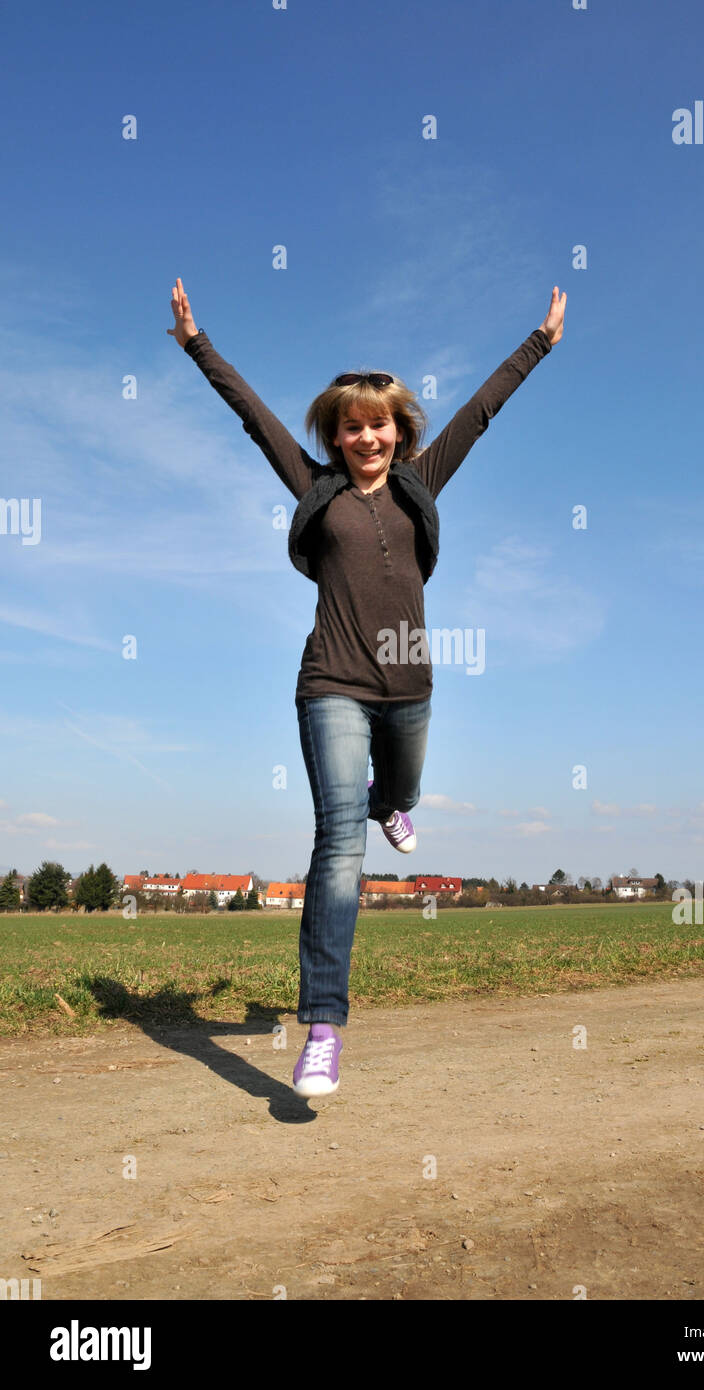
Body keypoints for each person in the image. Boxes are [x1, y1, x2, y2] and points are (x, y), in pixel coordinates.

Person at [168, 276, 566, 1097]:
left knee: (401, 788)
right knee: (339, 843)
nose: (366, 437)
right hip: (332, 684)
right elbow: (253, 418)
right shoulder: (319, 489)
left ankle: (398, 801)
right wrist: (197, 344)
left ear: (399, 430)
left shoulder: (422, 482)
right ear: (337, 435)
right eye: (351, 427)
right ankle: (324, 1027)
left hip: (410, 684)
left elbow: (482, 414)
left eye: (378, 424)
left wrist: (539, 343)